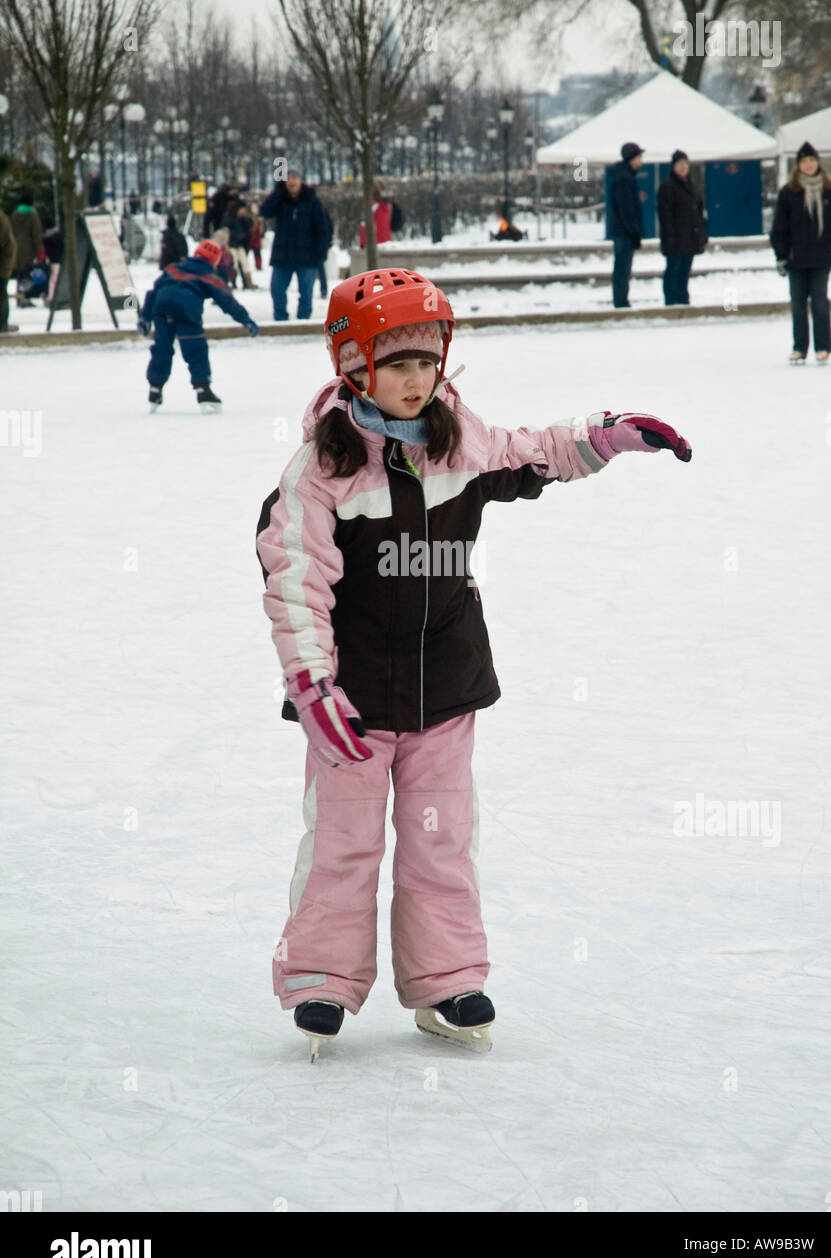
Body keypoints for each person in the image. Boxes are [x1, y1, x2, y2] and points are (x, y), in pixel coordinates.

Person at [254, 267, 692, 1056]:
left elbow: (535, 453)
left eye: (428, 359)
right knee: (343, 842)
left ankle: (447, 979)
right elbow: (294, 583)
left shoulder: (462, 442)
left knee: (442, 837)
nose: (416, 379)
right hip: (350, 708)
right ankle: (321, 979)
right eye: (396, 363)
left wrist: (607, 434)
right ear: (353, 366)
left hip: (446, 689)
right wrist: (312, 685)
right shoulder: (320, 473)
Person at [137, 238, 259, 413]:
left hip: (162, 308)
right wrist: (245, 319)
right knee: (196, 351)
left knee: (162, 348)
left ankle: (155, 388)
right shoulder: (209, 275)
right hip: (187, 312)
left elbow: (153, 293)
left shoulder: (173, 268)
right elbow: (226, 300)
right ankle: (203, 390)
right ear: (215, 260)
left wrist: (145, 317)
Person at [770, 140, 831, 364]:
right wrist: (780, 255)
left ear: (818, 163)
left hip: (821, 256)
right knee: (798, 304)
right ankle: (800, 347)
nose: (808, 165)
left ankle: (823, 347)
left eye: (812, 160)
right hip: (795, 257)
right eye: (804, 161)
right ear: (798, 165)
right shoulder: (789, 193)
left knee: (819, 301)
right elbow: (779, 228)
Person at [260, 168, 329, 320]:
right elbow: (265, 211)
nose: (292, 182)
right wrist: (278, 191)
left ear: (300, 181)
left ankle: (303, 320)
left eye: (295, 178)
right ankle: (280, 319)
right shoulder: (280, 199)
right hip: (282, 254)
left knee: (306, 292)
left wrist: (322, 251)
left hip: (307, 255)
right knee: (277, 289)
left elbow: (322, 227)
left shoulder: (312, 200)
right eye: (288, 179)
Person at [657, 149, 707, 305]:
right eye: (679, 164)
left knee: (684, 272)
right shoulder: (667, 187)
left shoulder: (691, 186)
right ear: (673, 166)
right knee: (673, 270)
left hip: (690, 238)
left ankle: (683, 300)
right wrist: (669, 236)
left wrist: (703, 233)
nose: (683, 167)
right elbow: (665, 215)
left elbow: (698, 212)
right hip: (676, 238)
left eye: (685, 163)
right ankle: (671, 301)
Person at [608, 142, 644, 308]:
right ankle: (621, 301)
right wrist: (634, 231)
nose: (640, 161)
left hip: (622, 231)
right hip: (624, 233)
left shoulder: (624, 175)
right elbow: (626, 208)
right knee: (623, 268)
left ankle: (621, 299)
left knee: (622, 268)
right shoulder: (624, 178)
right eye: (638, 157)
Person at [11, 192, 43, 308]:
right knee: (27, 273)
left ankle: (20, 297)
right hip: (29, 248)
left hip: (16, 247)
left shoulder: (15, 214)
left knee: (20, 273)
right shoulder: (33, 214)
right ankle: (25, 298)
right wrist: (40, 250)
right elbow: (36, 234)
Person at [0, 204, 18, 333]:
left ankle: (2, 325)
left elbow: (4, 237)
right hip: (5, 258)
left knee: (1, 292)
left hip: (3, 261)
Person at [42, 218, 63, 305]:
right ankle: (53, 297)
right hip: (57, 261)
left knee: (51, 280)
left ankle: (50, 297)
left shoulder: (46, 238)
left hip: (50, 261)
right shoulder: (58, 236)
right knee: (54, 280)